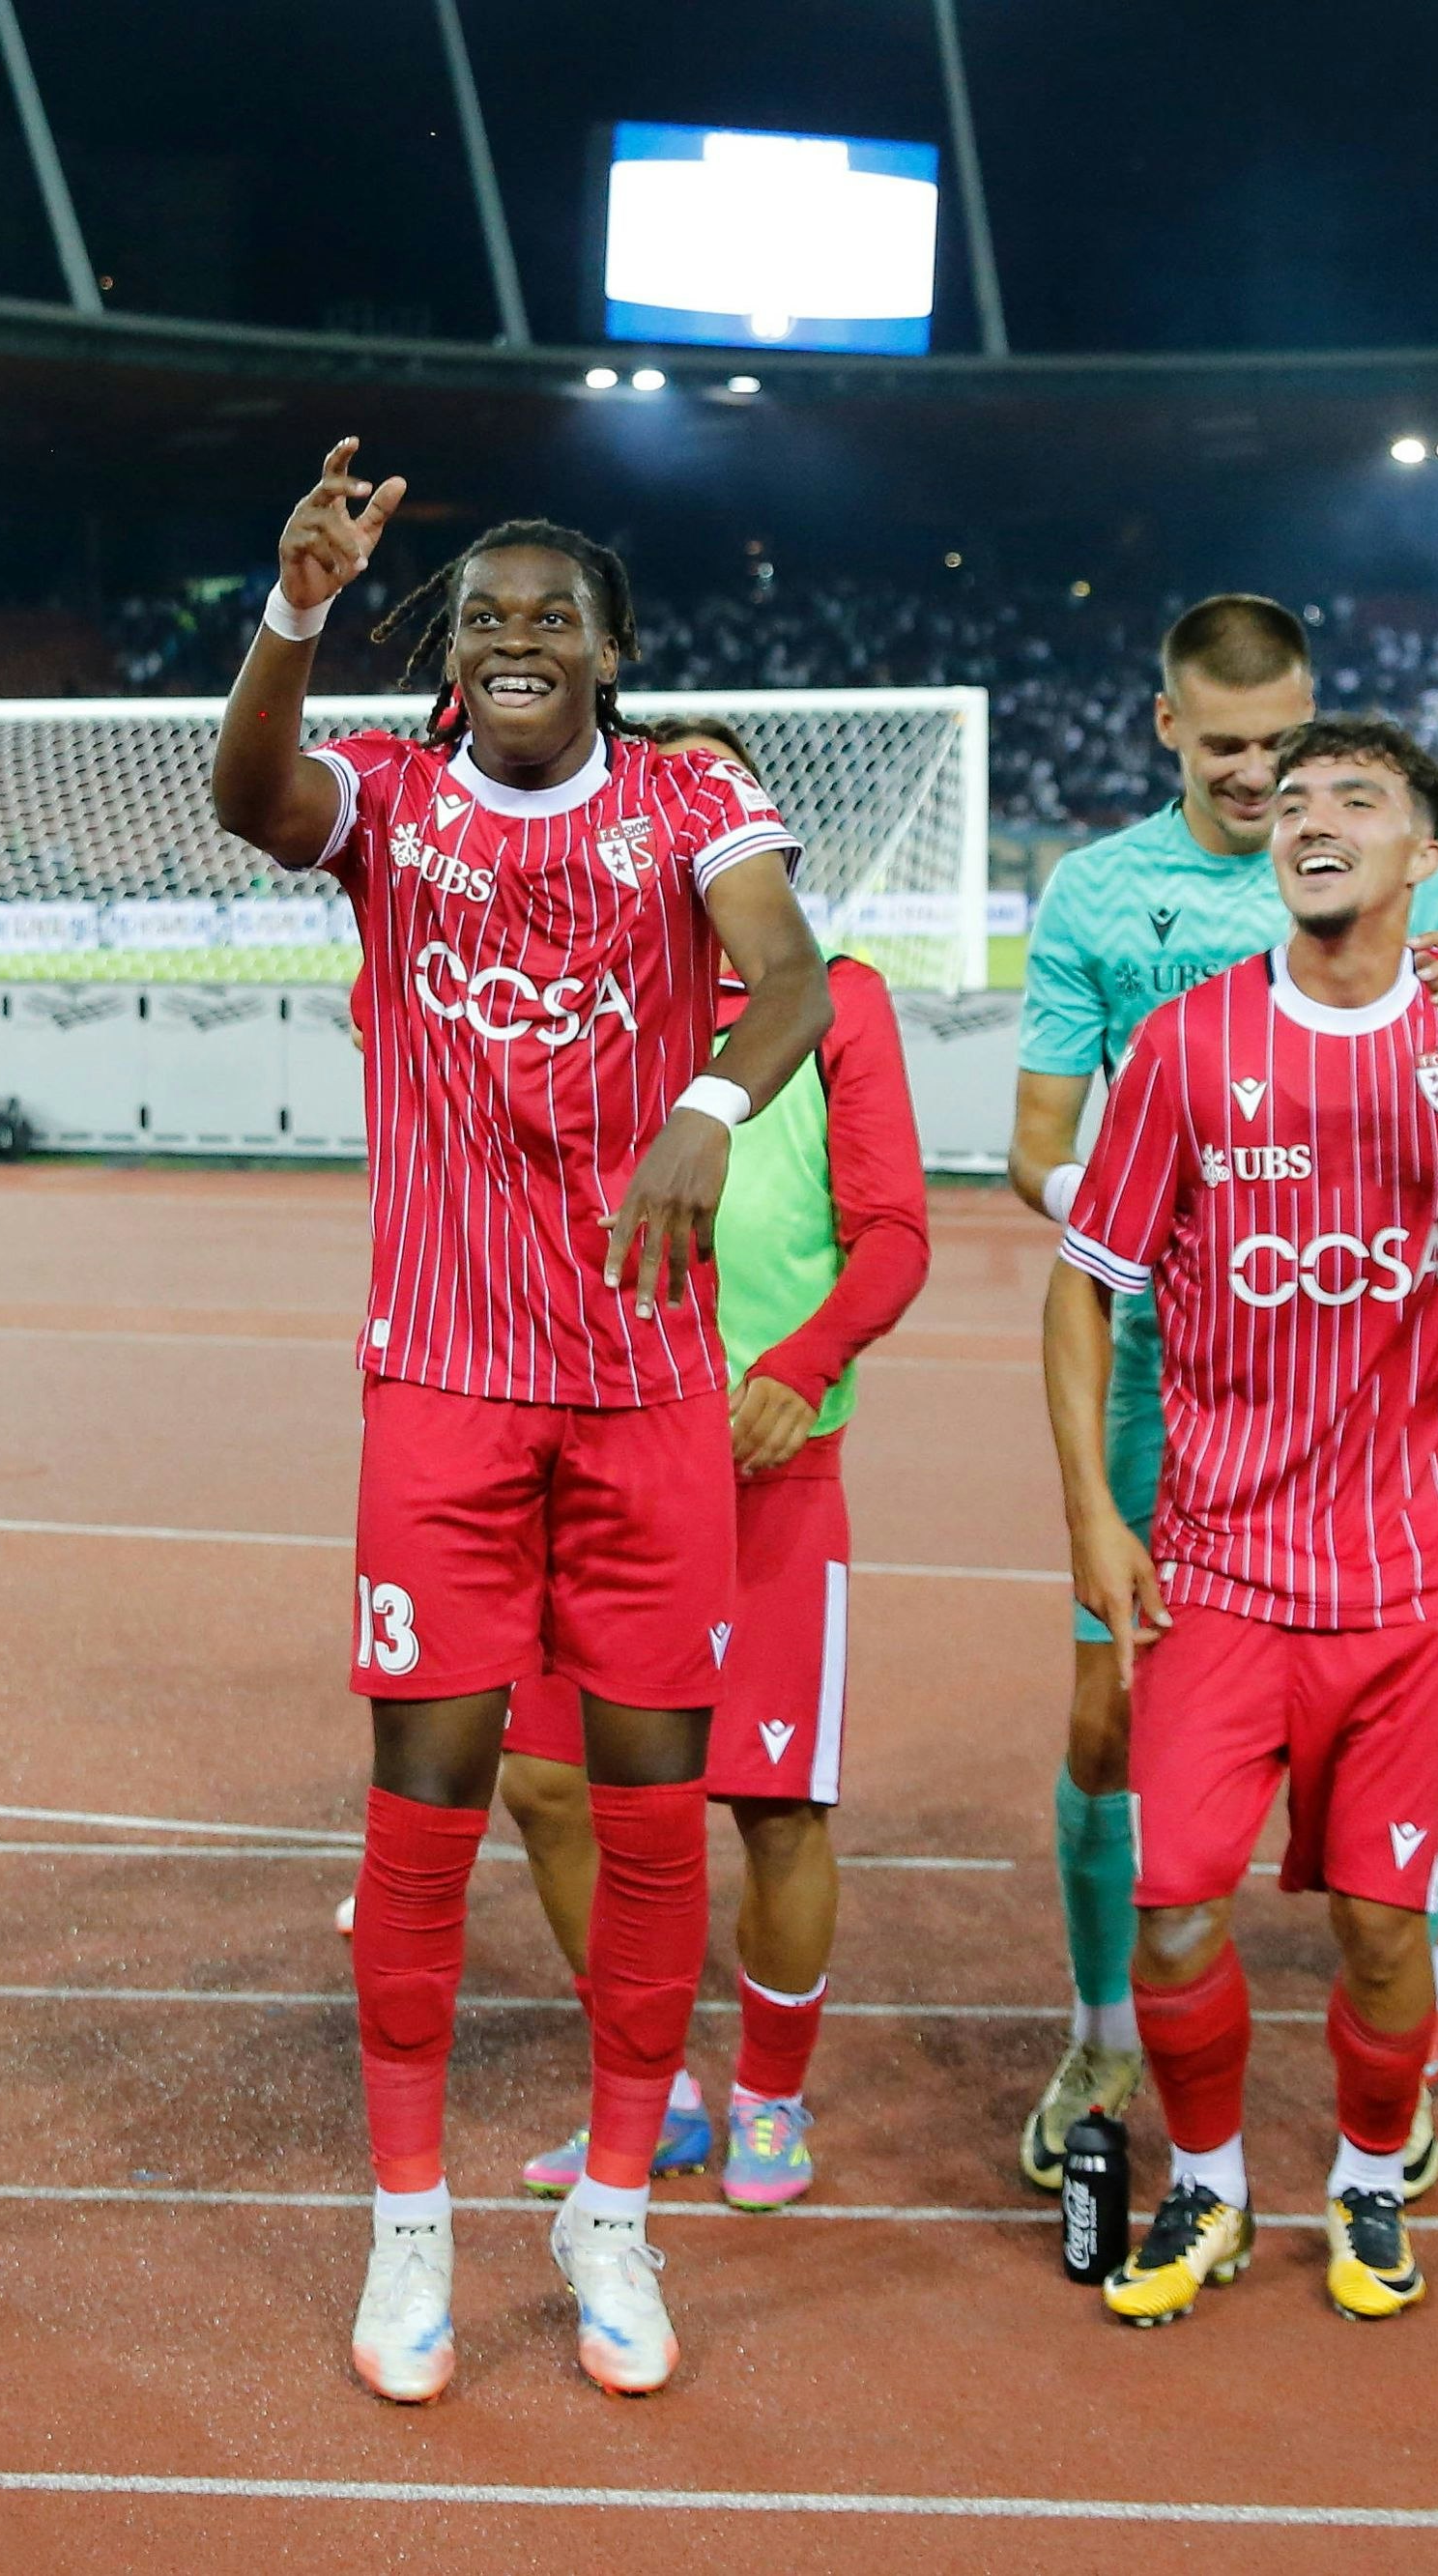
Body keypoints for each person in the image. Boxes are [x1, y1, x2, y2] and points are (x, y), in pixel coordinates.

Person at [211, 440, 829, 2403]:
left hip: (648, 1393)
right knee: (427, 1815)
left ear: (612, 647)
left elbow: (789, 974)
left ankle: (614, 2210)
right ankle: (409, 2233)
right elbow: (247, 794)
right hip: (448, 1386)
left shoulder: (691, 798)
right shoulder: (389, 803)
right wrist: (293, 611)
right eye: (481, 619)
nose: (514, 642)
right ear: (447, 655)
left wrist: (702, 1114)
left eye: (552, 616)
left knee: (653, 1823)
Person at [1051, 717, 1438, 2328]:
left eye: (1354, 800)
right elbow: (1084, 1287)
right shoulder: (1184, 1045)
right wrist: (1099, 1517)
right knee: (1174, 1909)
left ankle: (1371, 2176)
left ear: (1422, 852)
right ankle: (1217, 2186)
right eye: (1295, 801)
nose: (1312, 818)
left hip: (1412, 1577)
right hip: (1224, 1568)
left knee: (1389, 1930)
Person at [1003, 596, 1438, 2195]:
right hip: (1163, 1372)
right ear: (1165, 728)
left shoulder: (1403, 869)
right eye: (1228, 749)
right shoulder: (1099, 893)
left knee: (1410, 1726)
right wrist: (1178, 1210)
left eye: (1289, 745)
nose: (1265, 779)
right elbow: (1033, 1144)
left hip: (1369, 1391)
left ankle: (1393, 2066)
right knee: (1109, 1718)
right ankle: (1105, 2025)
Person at [496, 715, 930, 2214]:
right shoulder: (569, 993)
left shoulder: (838, 1004)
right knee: (550, 1786)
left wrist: (795, 1376)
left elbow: (895, 1239)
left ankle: (771, 2098)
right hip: (580, 1446)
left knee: (773, 1803)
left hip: (764, 1466)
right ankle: (654, 2086)